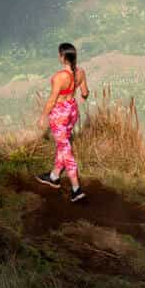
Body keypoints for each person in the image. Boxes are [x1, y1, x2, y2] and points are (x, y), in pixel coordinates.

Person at [36, 42, 88, 202]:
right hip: (72, 111)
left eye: (60, 54)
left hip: (59, 114)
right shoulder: (81, 72)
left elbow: (52, 100)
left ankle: (76, 189)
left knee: (66, 150)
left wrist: (43, 116)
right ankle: (54, 176)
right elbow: (85, 93)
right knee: (63, 145)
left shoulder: (59, 77)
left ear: (63, 57)